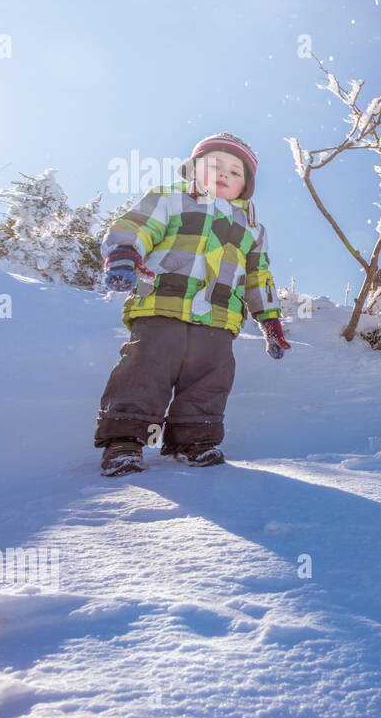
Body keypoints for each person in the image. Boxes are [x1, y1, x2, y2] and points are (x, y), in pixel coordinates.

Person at [93, 132, 290, 476]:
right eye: (214, 165)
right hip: (161, 305)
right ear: (192, 170)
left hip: (219, 318)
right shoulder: (171, 199)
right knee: (144, 371)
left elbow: (259, 275)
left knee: (210, 379)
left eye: (235, 171)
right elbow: (137, 225)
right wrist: (125, 252)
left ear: (246, 186)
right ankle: (125, 441)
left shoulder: (252, 227)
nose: (224, 174)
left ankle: (193, 441)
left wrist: (269, 320)